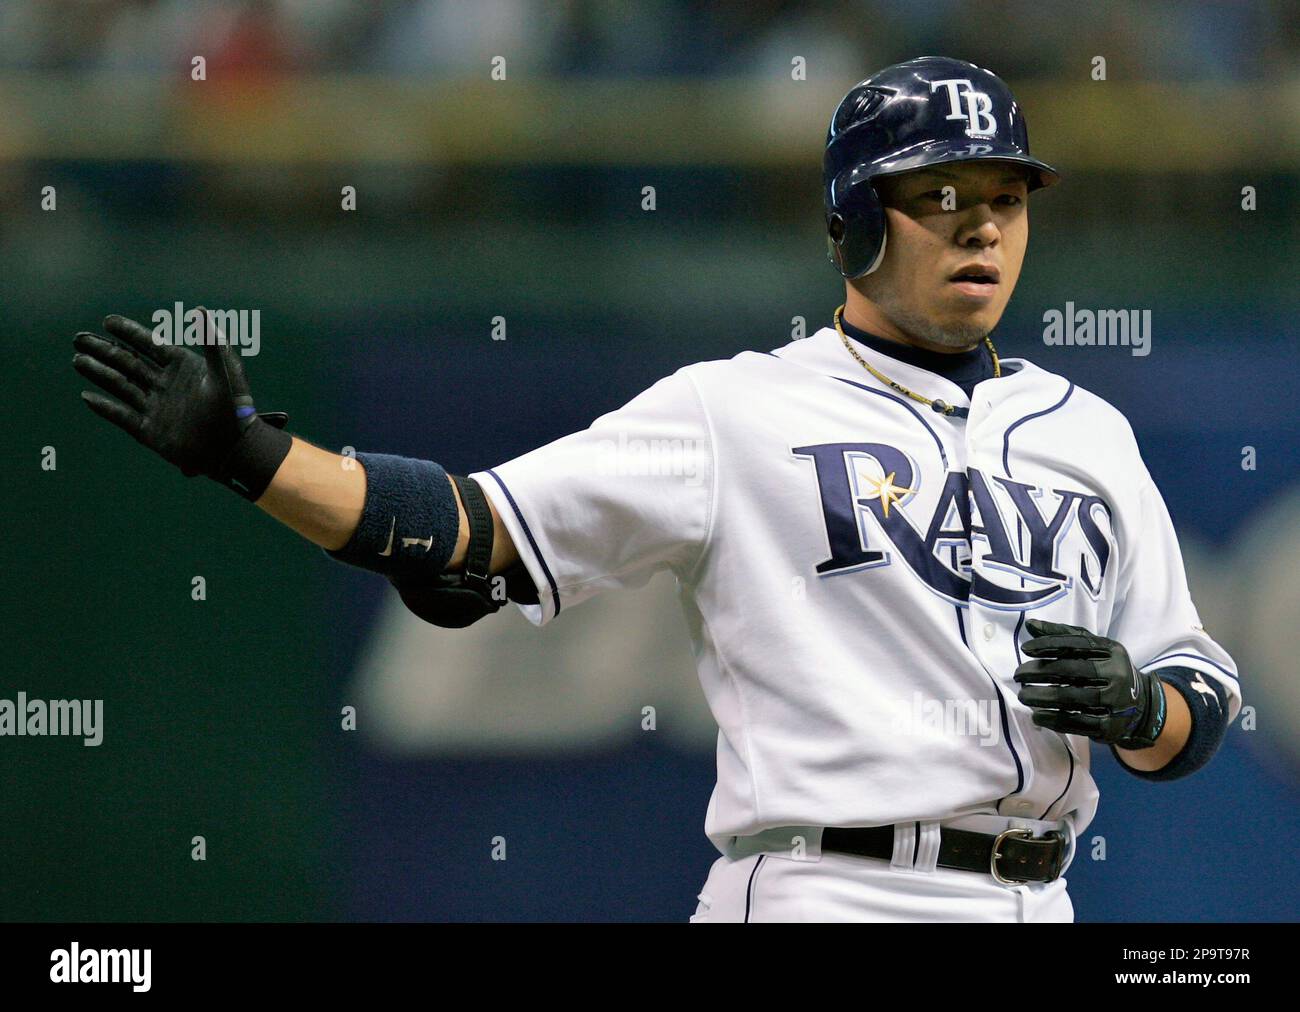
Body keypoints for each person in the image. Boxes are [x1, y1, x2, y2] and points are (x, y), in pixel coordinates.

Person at [71, 57, 1239, 922]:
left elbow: (1197, 697)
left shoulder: (1088, 434)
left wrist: (1142, 705)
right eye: (939, 196)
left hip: (1043, 898)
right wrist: (249, 454)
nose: (980, 224)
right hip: (823, 890)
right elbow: (466, 533)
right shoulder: (734, 413)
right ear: (849, 225)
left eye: (1005, 197)